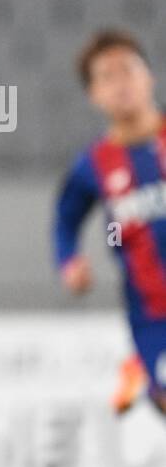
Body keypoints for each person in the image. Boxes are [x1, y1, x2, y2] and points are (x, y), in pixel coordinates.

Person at [54, 28, 166, 415]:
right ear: (94, 95)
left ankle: (140, 374)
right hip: (153, 314)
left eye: (128, 70)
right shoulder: (94, 165)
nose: (121, 84)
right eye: (107, 77)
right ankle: (145, 372)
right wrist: (69, 263)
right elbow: (65, 220)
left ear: (149, 76)